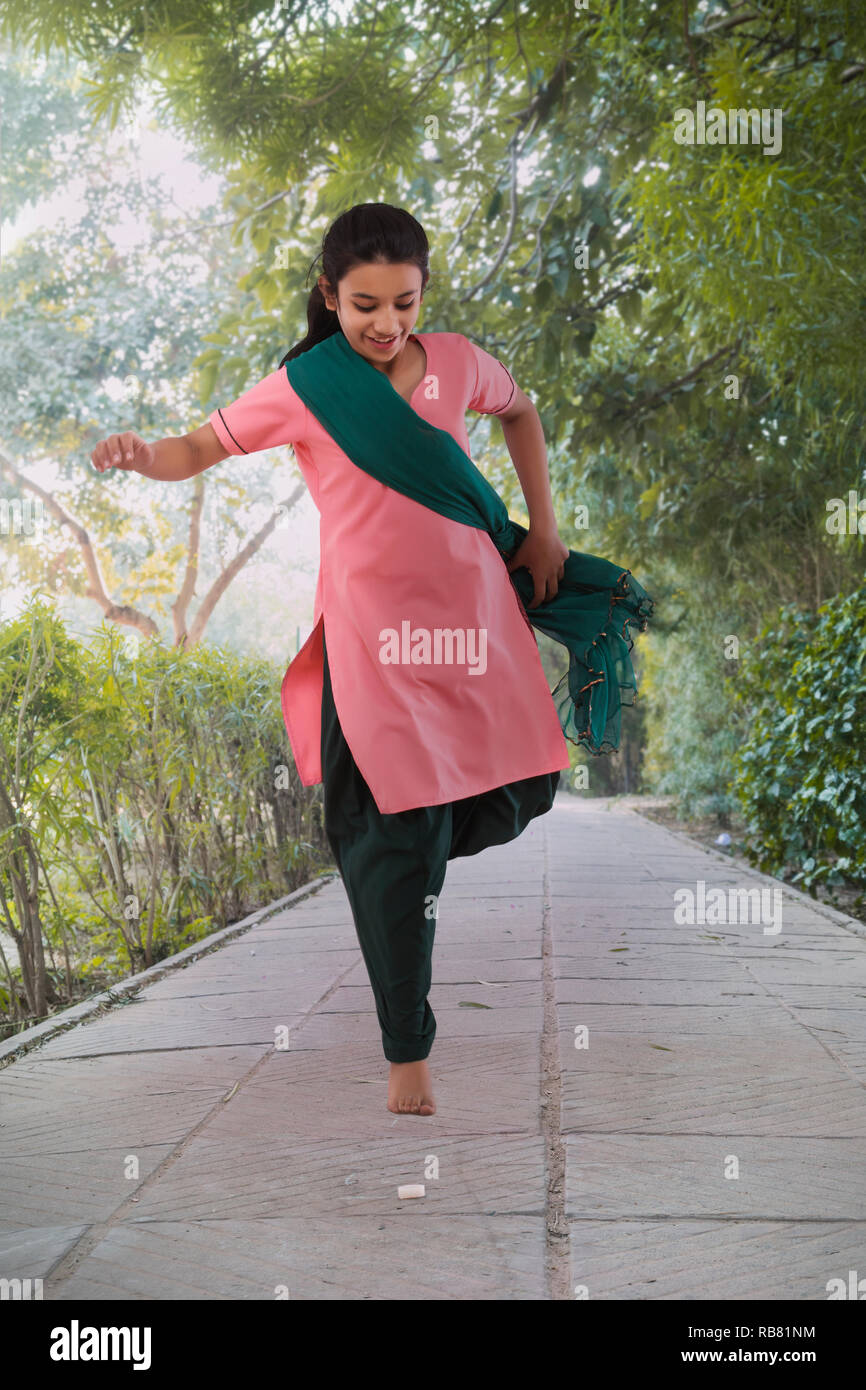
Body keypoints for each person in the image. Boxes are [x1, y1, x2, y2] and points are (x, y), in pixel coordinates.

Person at [91, 202, 652, 1118]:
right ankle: (407, 1052)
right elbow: (196, 446)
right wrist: (140, 454)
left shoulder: (461, 362)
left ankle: (416, 850)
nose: (385, 324)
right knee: (390, 841)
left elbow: (525, 410)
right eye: (363, 306)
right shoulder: (308, 387)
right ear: (329, 296)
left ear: (423, 293)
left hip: (475, 634)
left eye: (403, 302)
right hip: (373, 648)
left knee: (527, 789)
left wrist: (543, 533)